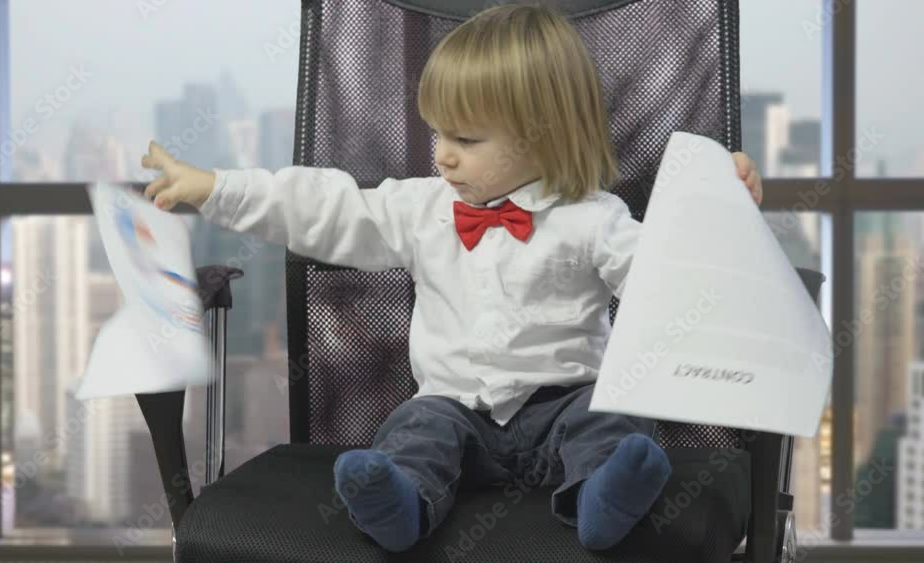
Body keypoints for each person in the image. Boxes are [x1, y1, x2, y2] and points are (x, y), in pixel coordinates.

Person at [139, 4, 763, 553]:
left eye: (465, 138)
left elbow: (674, 279)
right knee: (412, 430)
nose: (441, 154)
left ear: (544, 136)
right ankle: (399, 503)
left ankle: (603, 500)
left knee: (613, 420)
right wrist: (216, 189)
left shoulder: (594, 220)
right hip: (455, 413)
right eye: (438, 132)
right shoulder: (422, 208)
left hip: (564, 409)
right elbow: (322, 207)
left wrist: (720, 202)